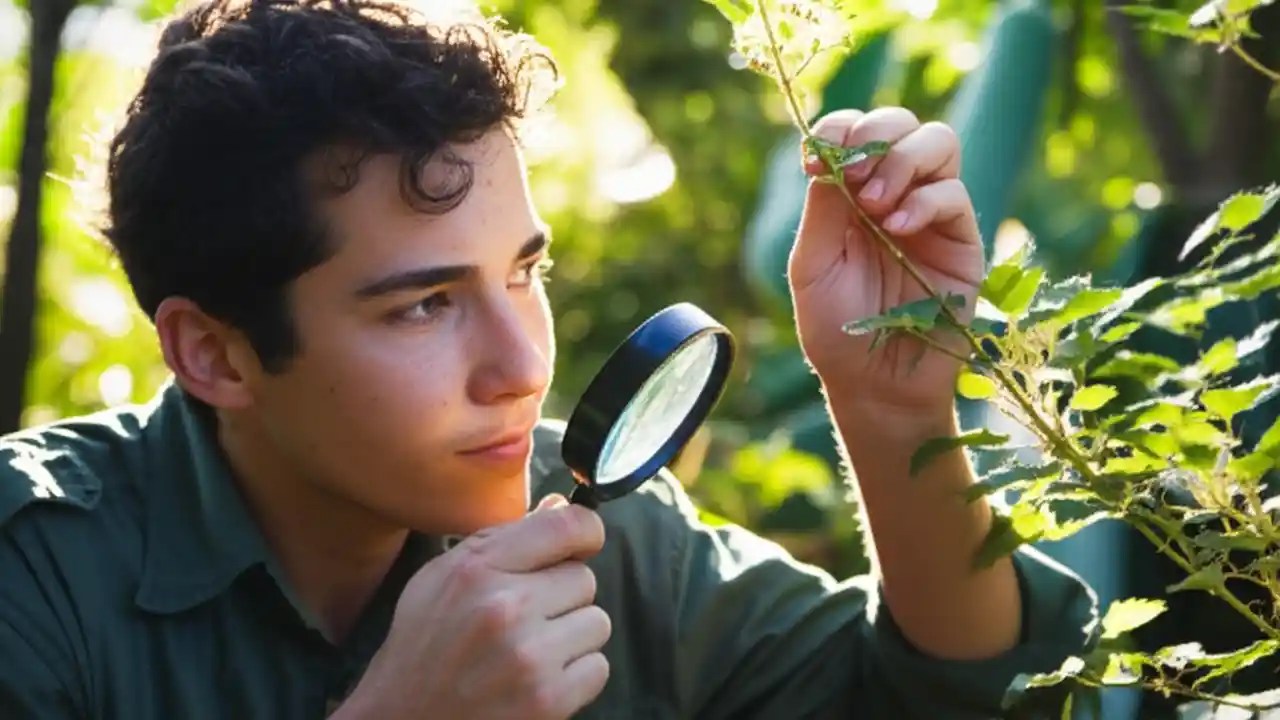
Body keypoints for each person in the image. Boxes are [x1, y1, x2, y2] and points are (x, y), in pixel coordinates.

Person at [0, 0, 1099, 717]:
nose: (522, 366)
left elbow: (965, 699)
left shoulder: (606, 532)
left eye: (525, 272)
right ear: (215, 354)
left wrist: (894, 413)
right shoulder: (34, 574)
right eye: (424, 306)